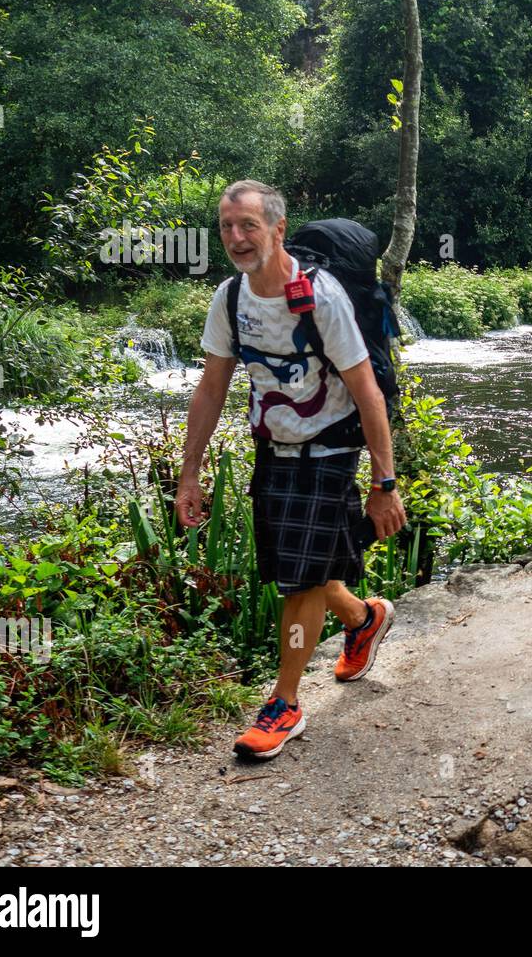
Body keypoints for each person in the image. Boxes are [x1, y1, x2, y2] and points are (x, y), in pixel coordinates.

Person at [176, 180, 407, 761]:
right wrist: (189, 474)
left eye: (249, 225)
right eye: (228, 226)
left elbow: (367, 390)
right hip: (273, 451)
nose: (236, 237)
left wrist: (385, 484)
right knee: (306, 565)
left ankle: (284, 704)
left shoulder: (320, 297)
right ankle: (363, 618)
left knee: (297, 581)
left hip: (329, 451)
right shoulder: (231, 299)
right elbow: (210, 389)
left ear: (278, 229)